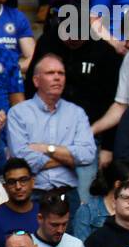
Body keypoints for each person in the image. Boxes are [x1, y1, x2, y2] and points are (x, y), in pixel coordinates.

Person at [6, 55, 98, 208]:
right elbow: (22, 159)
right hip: (33, 195)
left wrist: (46, 149)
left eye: (61, 73)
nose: (57, 78)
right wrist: (69, 158)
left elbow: (87, 155)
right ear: (36, 81)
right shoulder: (18, 113)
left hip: (68, 195)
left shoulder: (76, 113)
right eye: (50, 73)